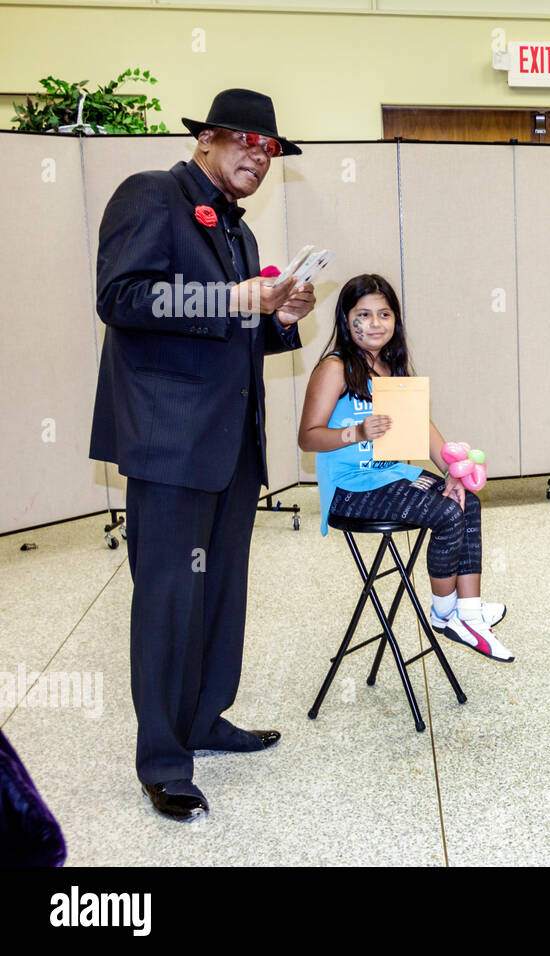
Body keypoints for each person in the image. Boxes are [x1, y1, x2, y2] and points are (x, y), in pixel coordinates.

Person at [89, 89, 316, 821]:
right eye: (246, 141)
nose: (259, 156)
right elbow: (123, 298)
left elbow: (240, 331)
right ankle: (163, 759)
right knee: (167, 601)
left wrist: (278, 316)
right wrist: (232, 302)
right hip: (169, 442)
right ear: (207, 141)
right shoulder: (152, 196)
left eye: (270, 149)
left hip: (232, 446)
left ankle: (204, 717)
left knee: (219, 595)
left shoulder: (241, 236)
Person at [299, 274, 513, 664]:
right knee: (446, 515)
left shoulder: (391, 366)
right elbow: (307, 437)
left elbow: (422, 428)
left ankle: (469, 611)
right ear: (347, 321)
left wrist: (451, 471)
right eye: (363, 314)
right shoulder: (335, 368)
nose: (375, 322)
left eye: (385, 313)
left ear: (396, 320)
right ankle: (445, 613)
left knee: (465, 499)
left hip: (390, 475)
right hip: (350, 488)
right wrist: (356, 431)